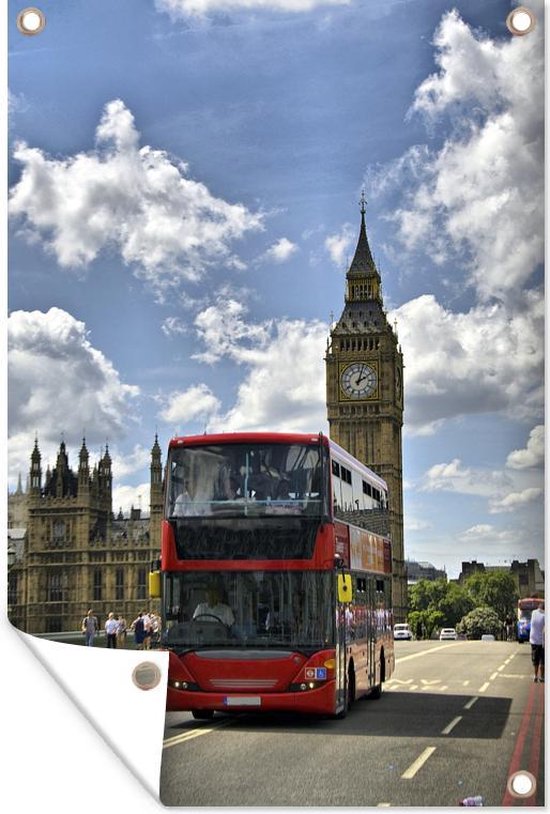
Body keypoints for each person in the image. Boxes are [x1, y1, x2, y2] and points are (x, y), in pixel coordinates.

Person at [529, 600, 545, 683]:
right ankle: (542, 677)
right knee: (542, 660)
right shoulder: (545, 615)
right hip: (542, 642)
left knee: (535, 659)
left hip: (533, 640)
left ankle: (535, 676)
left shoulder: (533, 613)